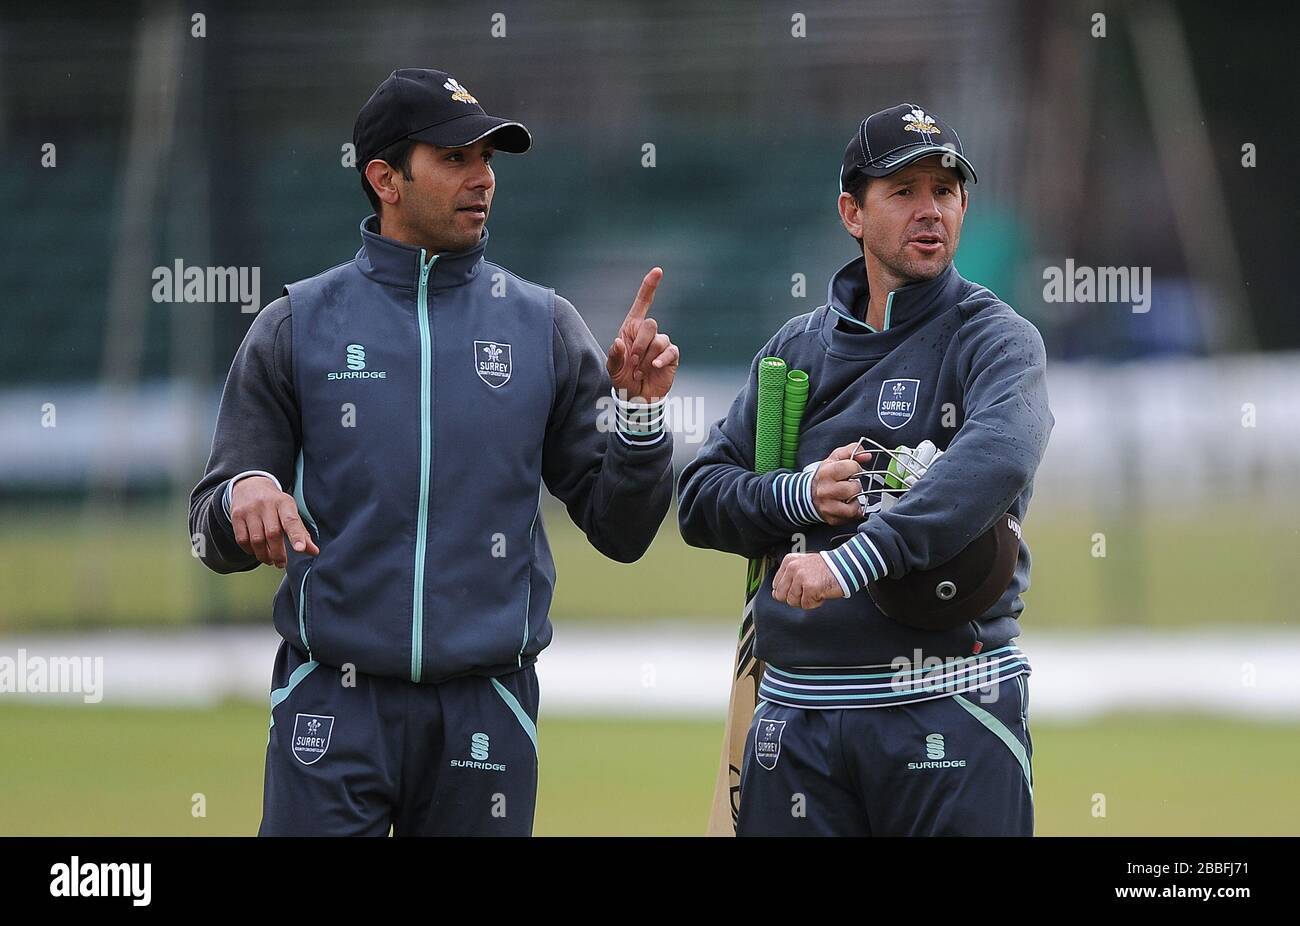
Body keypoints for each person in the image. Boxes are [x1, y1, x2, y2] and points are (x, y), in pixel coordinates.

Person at [189, 67, 679, 836]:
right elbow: (211, 528)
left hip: (486, 710)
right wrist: (242, 492)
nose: (482, 178)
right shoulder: (295, 324)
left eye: (487, 159)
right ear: (384, 178)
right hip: (330, 706)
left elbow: (623, 530)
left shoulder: (544, 326)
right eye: (454, 159)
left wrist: (643, 420)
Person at [678, 103, 1053, 836]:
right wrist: (799, 494)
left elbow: (994, 460)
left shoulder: (998, 339)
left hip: (954, 703)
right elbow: (699, 499)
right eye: (903, 191)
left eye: (944, 192)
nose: (930, 211)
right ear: (852, 211)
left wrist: (849, 565)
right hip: (799, 718)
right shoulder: (794, 351)